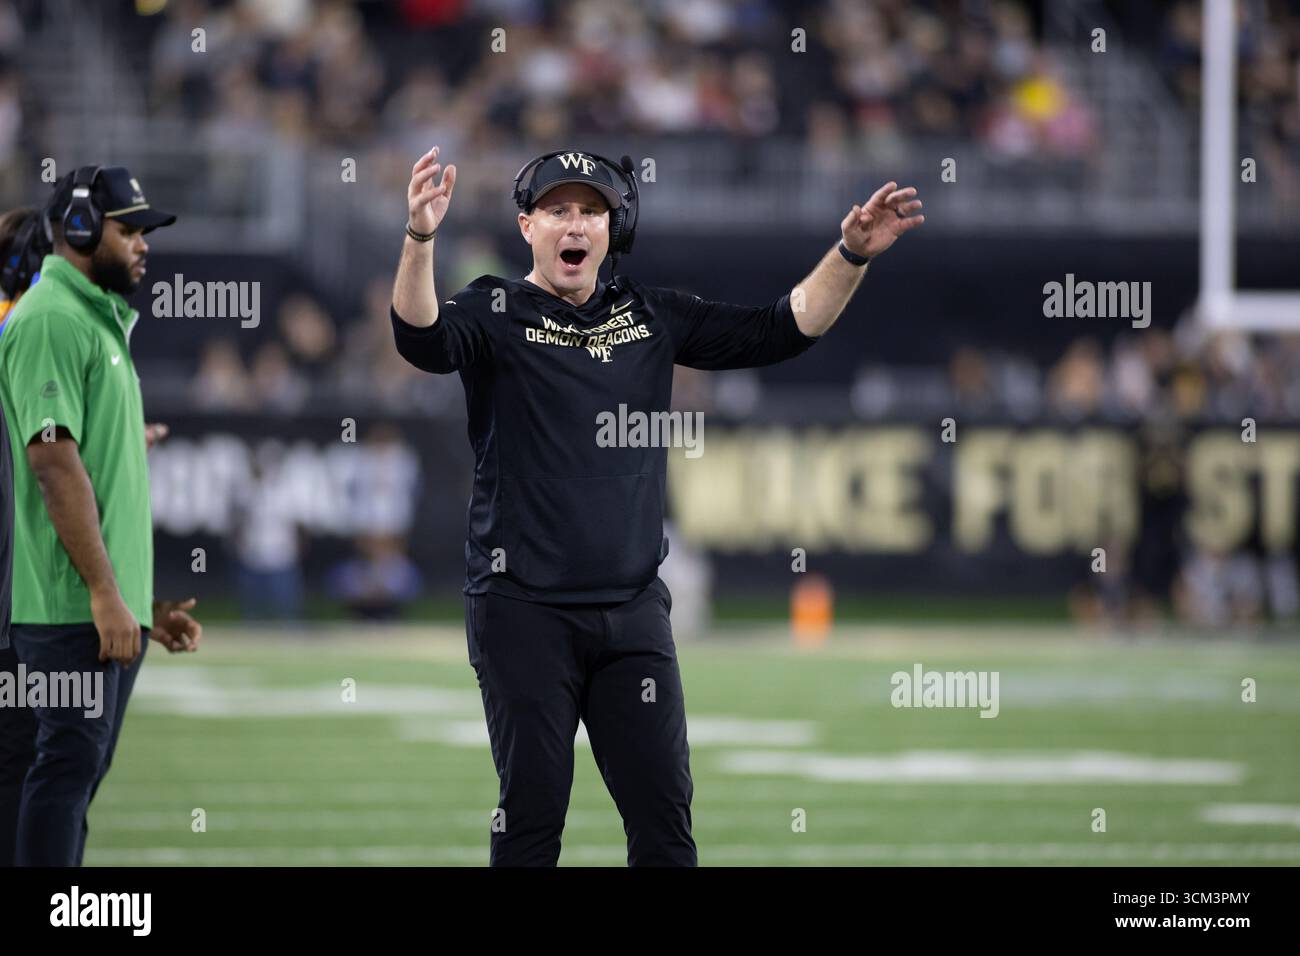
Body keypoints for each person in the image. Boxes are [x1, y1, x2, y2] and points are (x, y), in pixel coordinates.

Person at [390, 147, 923, 866]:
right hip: (522, 609)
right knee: (532, 816)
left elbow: (784, 328)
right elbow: (420, 340)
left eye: (590, 211)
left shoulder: (651, 316)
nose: (574, 224)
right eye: (557, 210)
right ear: (527, 226)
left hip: (632, 612)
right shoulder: (492, 309)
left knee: (665, 823)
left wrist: (850, 254)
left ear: (612, 229)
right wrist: (420, 238)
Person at [0, 167, 204, 866]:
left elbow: (99, 480)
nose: (144, 244)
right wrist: (103, 593)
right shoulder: (52, 319)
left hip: (97, 605)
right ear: (81, 228)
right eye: (130, 229)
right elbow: (53, 464)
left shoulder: (95, 320)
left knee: (72, 775)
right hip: (66, 610)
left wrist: (137, 603)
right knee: (61, 773)